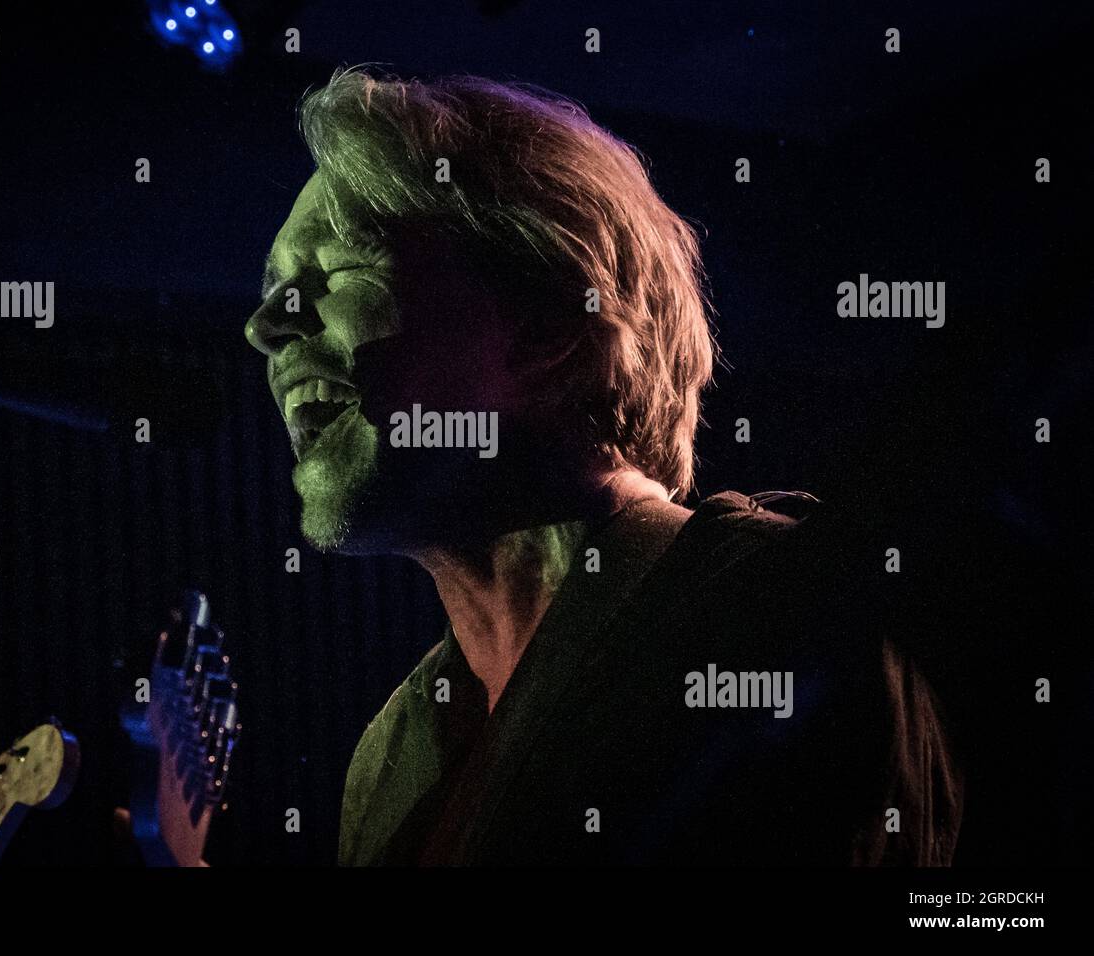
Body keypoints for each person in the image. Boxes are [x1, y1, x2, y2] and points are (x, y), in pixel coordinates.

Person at [244, 68, 962, 865]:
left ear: (552, 324)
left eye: (341, 268)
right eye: (275, 290)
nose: (265, 327)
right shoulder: (389, 755)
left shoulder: (788, 616)